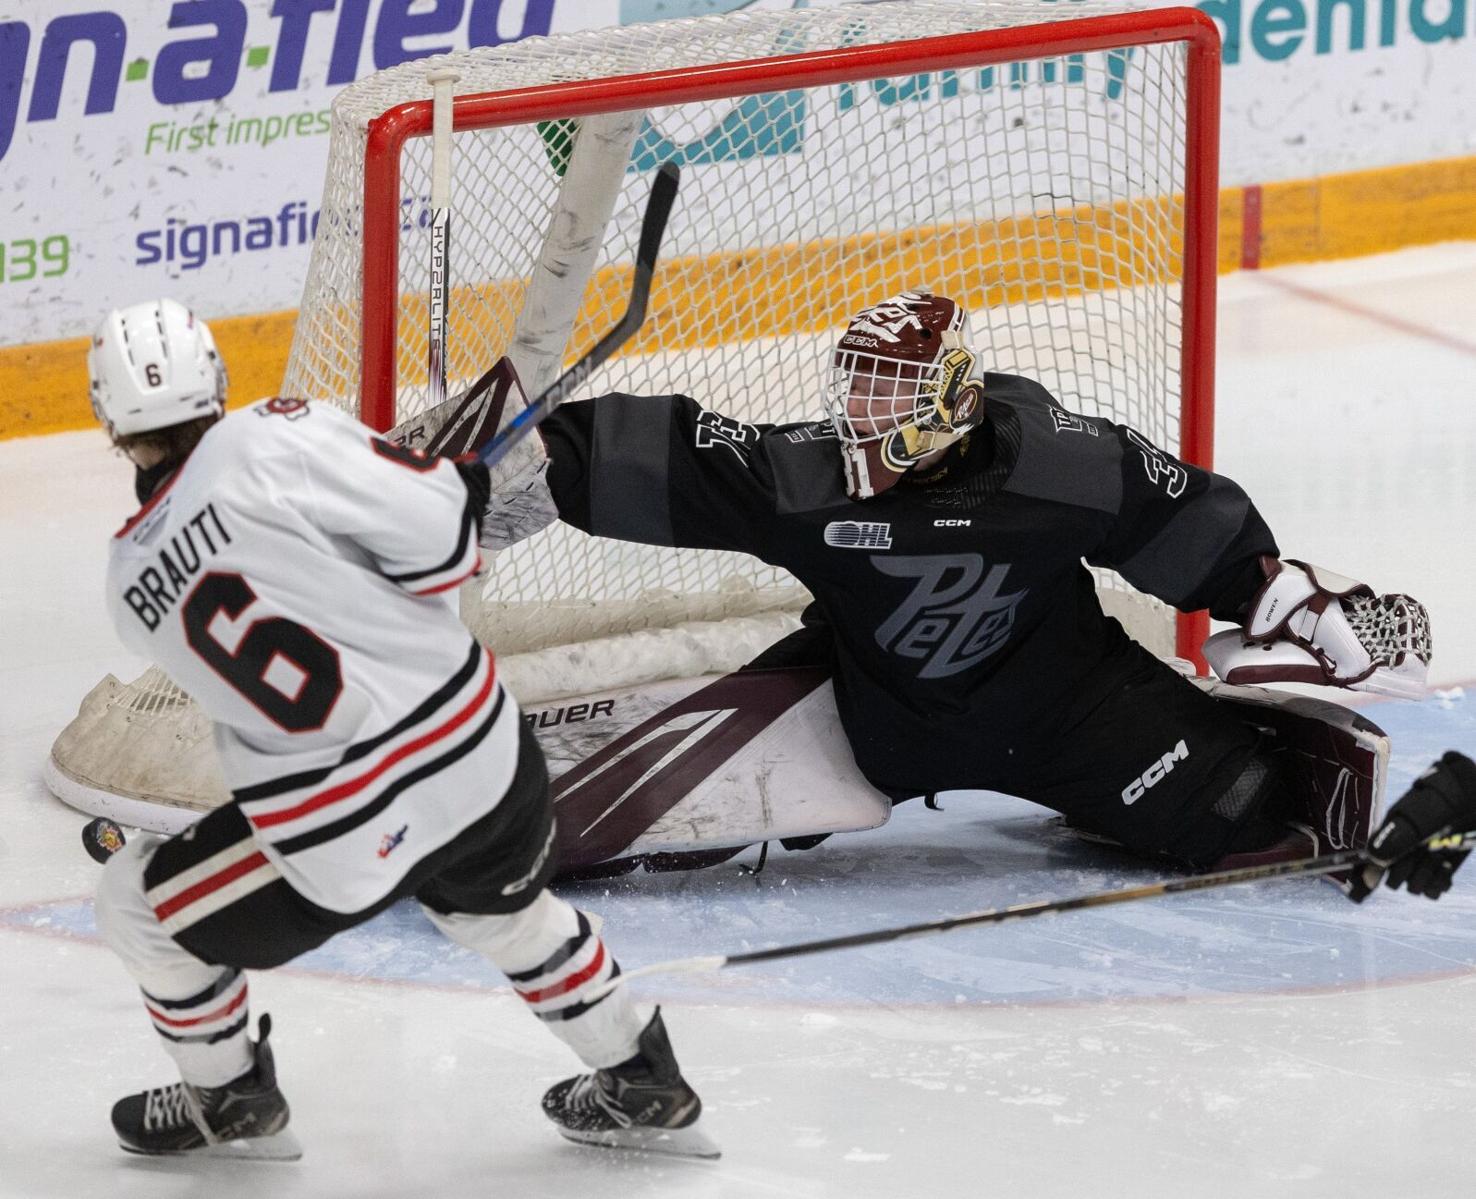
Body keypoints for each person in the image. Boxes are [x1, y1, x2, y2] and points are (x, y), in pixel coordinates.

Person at [477, 289, 1432, 875]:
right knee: (628, 826)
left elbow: (1190, 530)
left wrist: (1295, 602)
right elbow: (676, 455)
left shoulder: (1063, 466)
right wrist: (525, 458)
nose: (860, 414)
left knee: (1254, 813)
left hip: (1072, 711)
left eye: (886, 395)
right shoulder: (806, 481)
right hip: (864, 717)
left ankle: (1132, 790)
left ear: (949, 404)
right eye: (855, 386)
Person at [86, 298, 715, 1161]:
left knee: (134, 902)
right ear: (217, 378)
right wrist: (458, 487)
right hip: (490, 763)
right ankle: (644, 1075)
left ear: (111, 425)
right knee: (501, 912)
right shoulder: (276, 433)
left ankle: (230, 1095)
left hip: (342, 839)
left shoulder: (130, 583)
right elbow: (438, 544)